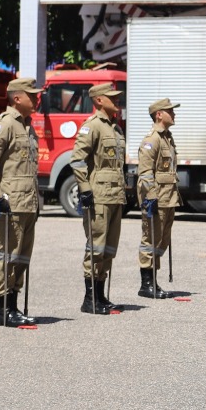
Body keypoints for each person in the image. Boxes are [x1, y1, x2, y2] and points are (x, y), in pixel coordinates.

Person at [0, 78, 44, 328]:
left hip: (27, 203)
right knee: (7, 255)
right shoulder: (5, 124)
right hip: (11, 202)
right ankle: (3, 309)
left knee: (21, 257)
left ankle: (13, 307)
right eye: (32, 95)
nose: (37, 98)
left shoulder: (27, 127)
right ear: (17, 98)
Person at [69, 83, 128, 314]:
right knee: (96, 247)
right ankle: (89, 299)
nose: (118, 101)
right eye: (113, 97)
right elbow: (77, 159)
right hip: (99, 197)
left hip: (115, 197)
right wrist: (84, 189)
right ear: (100, 100)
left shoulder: (116, 129)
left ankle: (101, 296)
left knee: (109, 248)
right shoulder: (92, 126)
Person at [135, 97, 180, 300]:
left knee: (162, 240)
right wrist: (150, 197)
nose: (174, 114)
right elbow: (145, 172)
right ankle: (146, 284)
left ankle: (153, 279)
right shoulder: (152, 139)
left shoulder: (167, 138)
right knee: (150, 240)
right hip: (157, 199)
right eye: (170, 111)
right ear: (159, 114)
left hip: (168, 198)